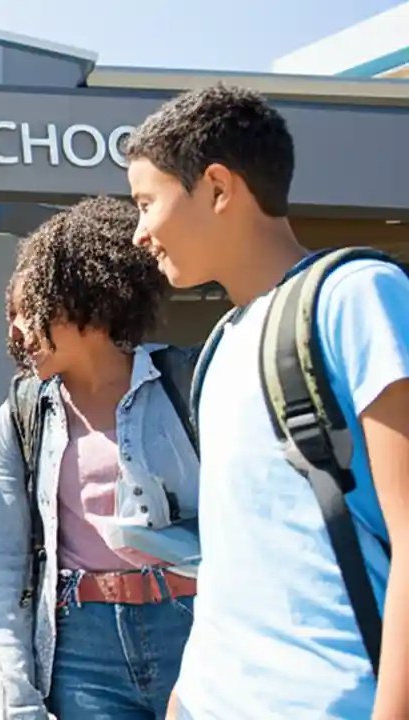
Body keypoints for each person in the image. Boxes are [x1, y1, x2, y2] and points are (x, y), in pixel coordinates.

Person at [125, 84, 409, 719]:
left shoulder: (357, 297)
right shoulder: (220, 347)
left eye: (147, 203)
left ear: (219, 188)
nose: (140, 232)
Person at [0, 196, 202, 720]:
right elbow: (10, 568)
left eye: (25, 311)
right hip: (83, 647)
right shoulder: (21, 415)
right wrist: (19, 696)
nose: (14, 331)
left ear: (81, 300)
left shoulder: (187, 384)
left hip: (196, 628)